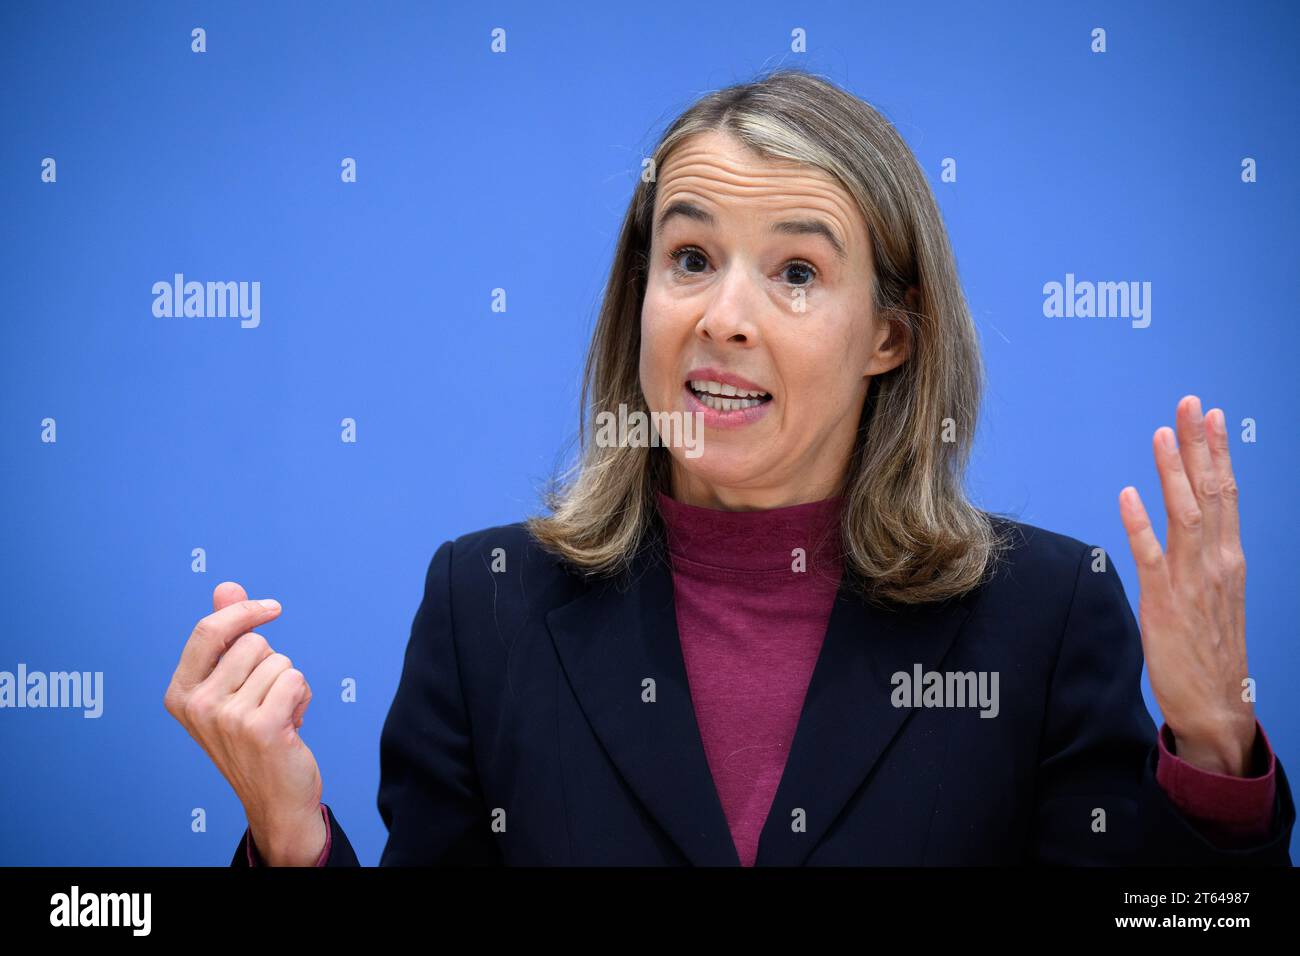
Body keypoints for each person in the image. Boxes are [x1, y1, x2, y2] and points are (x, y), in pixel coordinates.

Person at [164, 68, 1293, 866]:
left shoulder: (1044, 614)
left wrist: (1208, 747)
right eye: (690, 257)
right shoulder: (484, 607)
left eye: (796, 271)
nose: (725, 316)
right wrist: (292, 838)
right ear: (639, 296)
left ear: (889, 336)